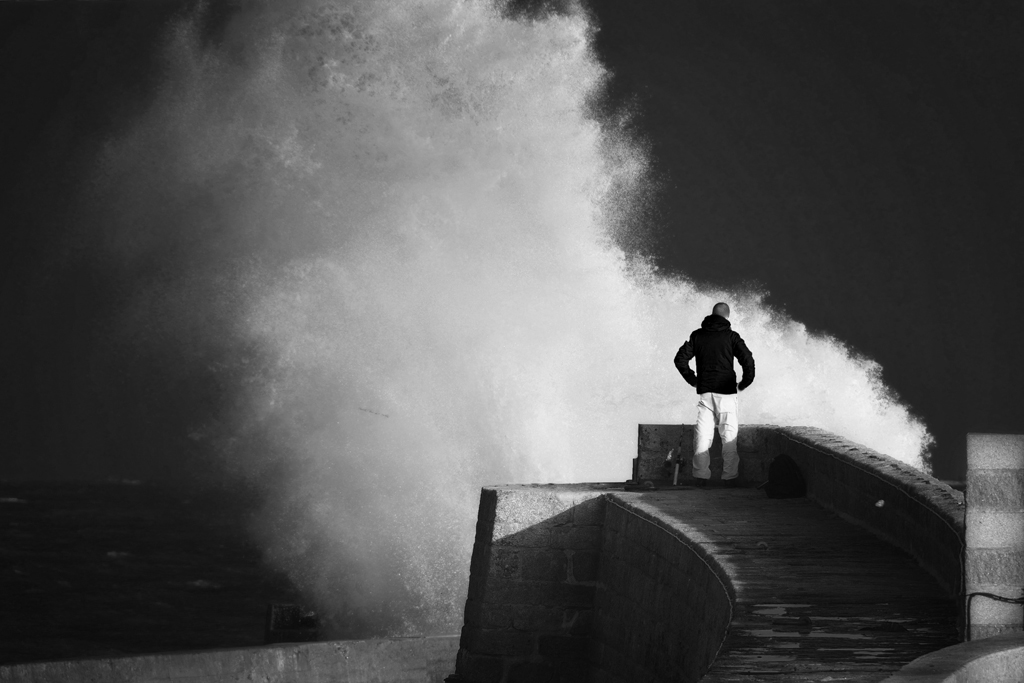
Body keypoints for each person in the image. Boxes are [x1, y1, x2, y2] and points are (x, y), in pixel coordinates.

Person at [673, 302, 755, 488]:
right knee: (729, 436)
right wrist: (744, 382)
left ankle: (701, 476)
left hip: (706, 393)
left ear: (711, 315)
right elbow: (748, 360)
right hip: (726, 393)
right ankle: (730, 477)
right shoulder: (731, 337)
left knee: (702, 435)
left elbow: (680, 360)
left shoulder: (697, 336)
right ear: (727, 317)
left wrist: (693, 380)